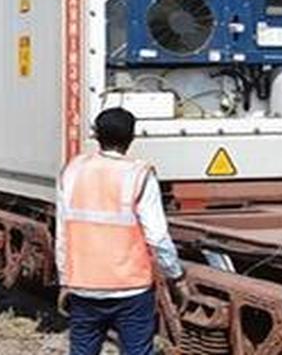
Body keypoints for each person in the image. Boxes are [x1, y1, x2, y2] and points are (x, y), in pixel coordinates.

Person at [56, 107, 187, 355]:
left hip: (85, 286)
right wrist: (176, 276)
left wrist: (65, 281)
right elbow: (157, 236)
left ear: (96, 136)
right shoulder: (139, 174)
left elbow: (63, 233)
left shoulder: (72, 171)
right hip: (131, 289)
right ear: (132, 137)